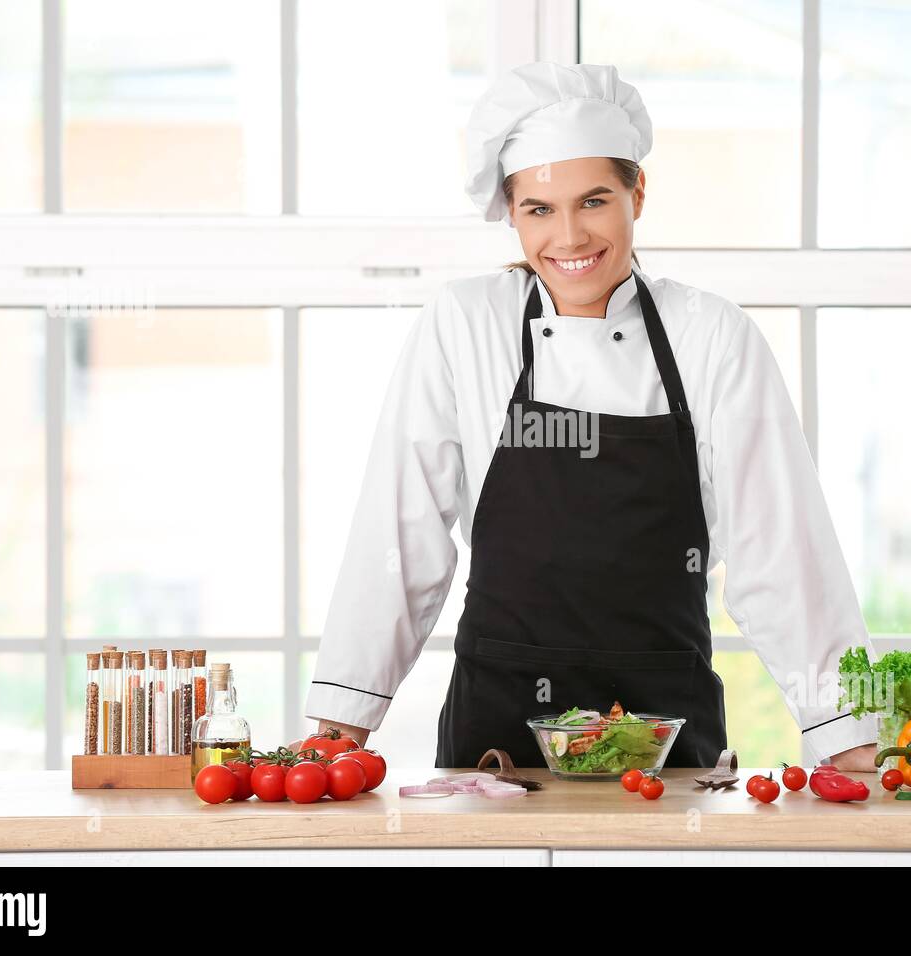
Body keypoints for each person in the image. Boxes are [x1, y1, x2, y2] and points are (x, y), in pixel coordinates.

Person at [305, 62, 880, 771]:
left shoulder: (709, 335)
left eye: (595, 201)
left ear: (639, 192)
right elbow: (399, 536)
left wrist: (848, 735)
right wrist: (340, 729)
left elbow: (781, 550)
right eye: (539, 210)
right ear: (510, 213)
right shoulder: (464, 323)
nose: (570, 237)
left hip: (666, 744)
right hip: (496, 745)